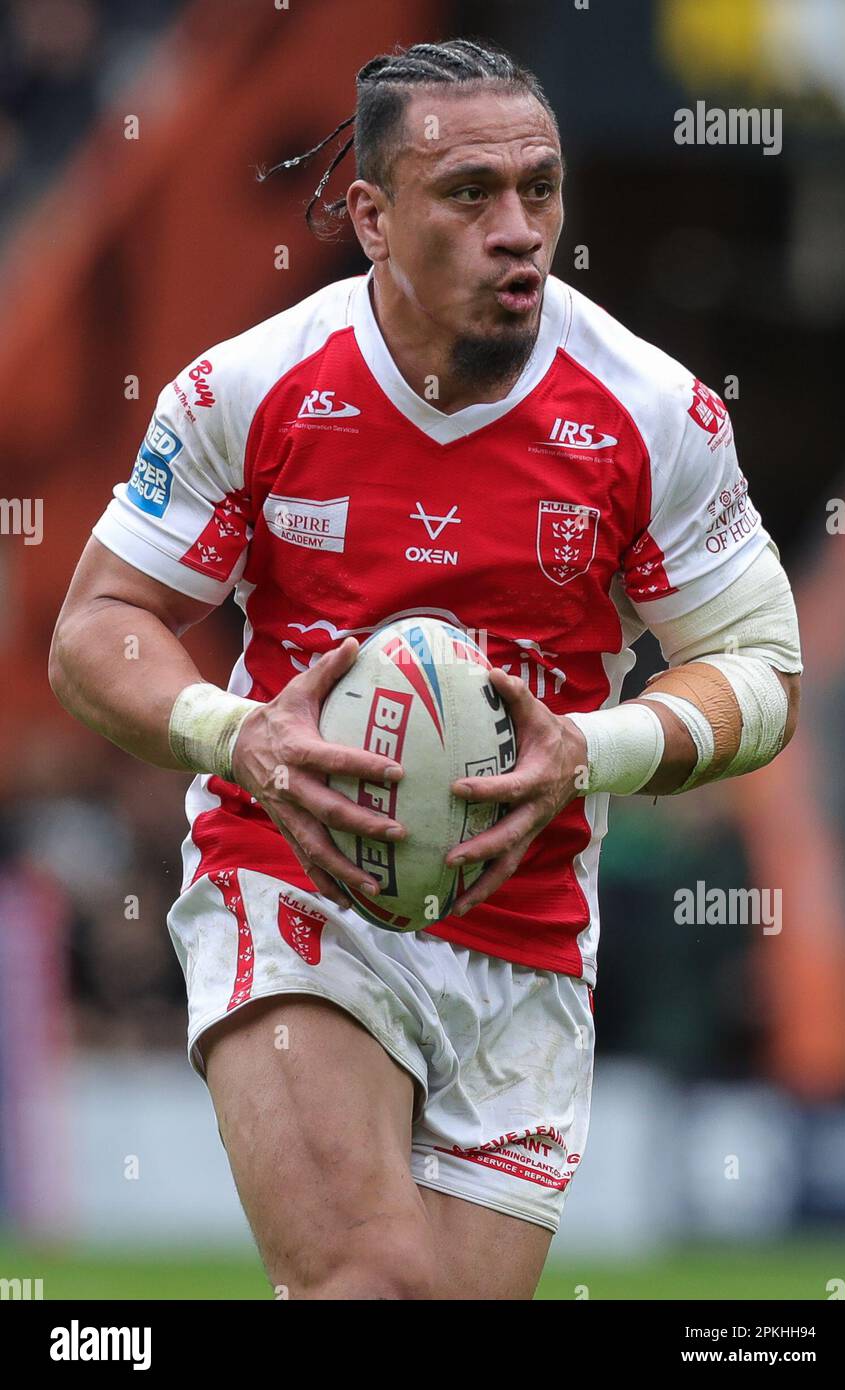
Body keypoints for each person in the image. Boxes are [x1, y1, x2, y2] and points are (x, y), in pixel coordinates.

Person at [49, 38, 802, 1300]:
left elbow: (761, 671)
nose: (519, 230)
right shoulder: (252, 387)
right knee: (368, 1286)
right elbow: (98, 624)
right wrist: (239, 737)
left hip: (526, 936)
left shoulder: (651, 412)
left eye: (541, 190)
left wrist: (590, 748)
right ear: (371, 213)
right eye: (468, 193)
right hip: (292, 879)